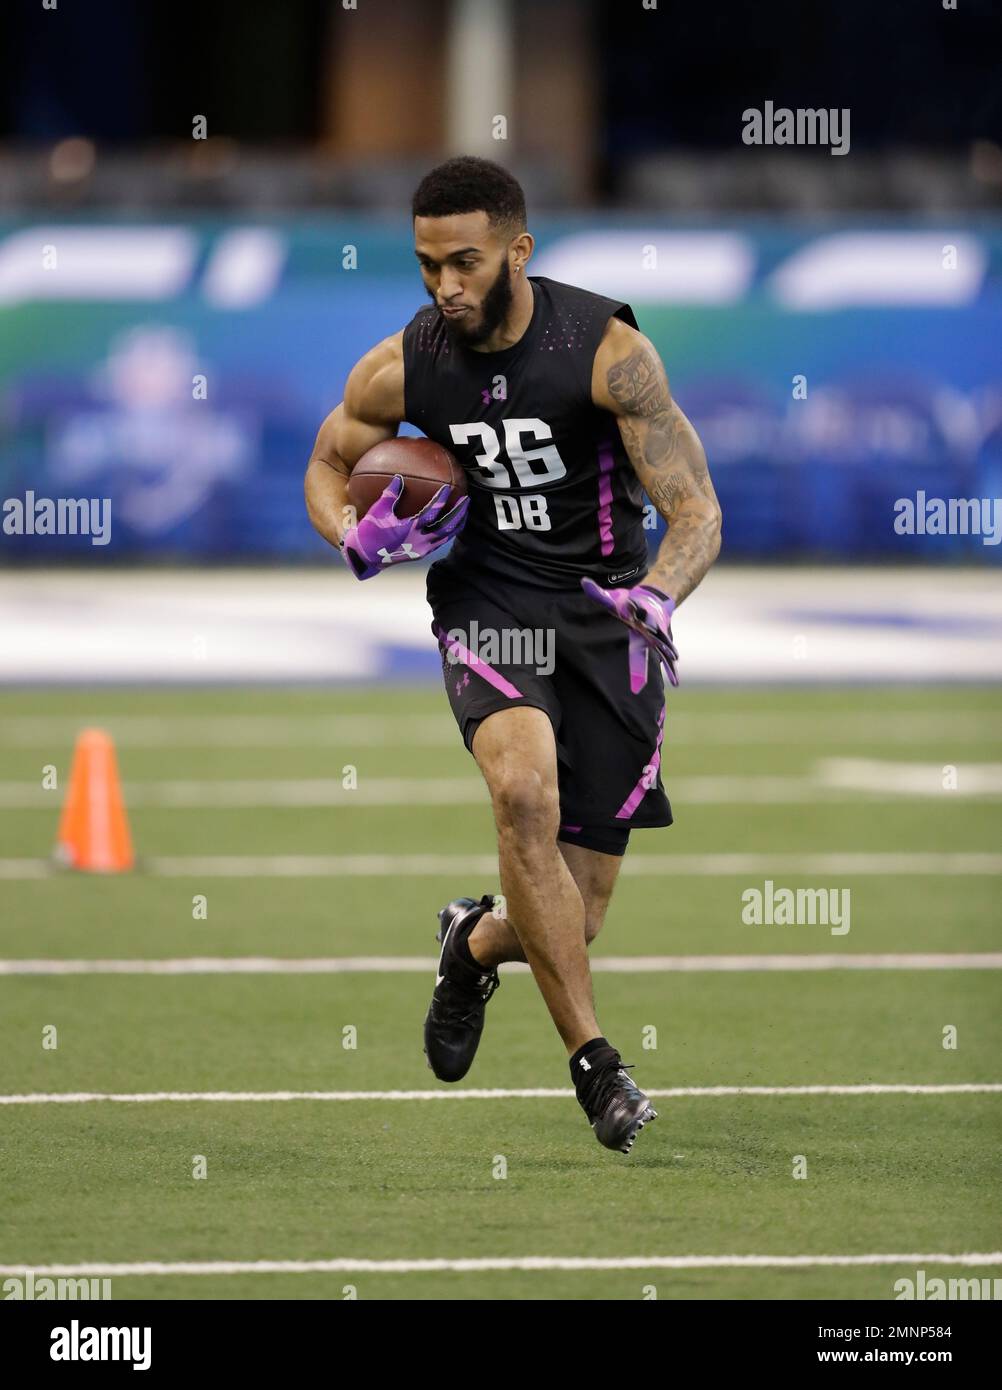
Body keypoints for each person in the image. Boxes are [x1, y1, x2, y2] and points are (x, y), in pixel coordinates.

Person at [305, 155, 722, 1153]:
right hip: (489, 603)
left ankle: (473, 942)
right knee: (522, 795)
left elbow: (696, 508)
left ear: (517, 251)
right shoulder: (404, 363)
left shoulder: (606, 350)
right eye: (426, 265)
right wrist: (352, 537)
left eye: (465, 261)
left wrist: (661, 594)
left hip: (608, 615)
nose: (445, 286)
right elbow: (328, 462)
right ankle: (598, 1068)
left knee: (575, 920)